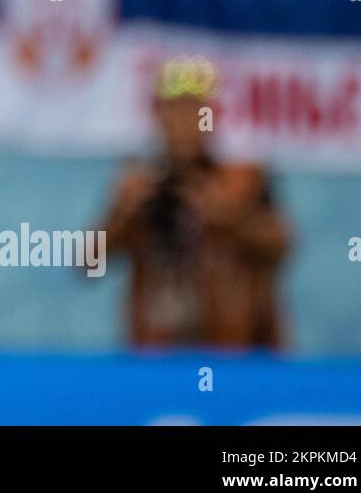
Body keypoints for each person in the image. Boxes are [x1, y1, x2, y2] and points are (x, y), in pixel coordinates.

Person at [99, 56, 291, 349]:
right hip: (156, 356)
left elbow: (281, 248)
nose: (185, 121)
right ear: (158, 116)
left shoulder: (242, 180)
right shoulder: (139, 183)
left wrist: (230, 217)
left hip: (235, 355)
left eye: (195, 110)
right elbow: (85, 263)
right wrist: (120, 215)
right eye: (175, 110)